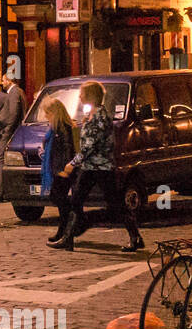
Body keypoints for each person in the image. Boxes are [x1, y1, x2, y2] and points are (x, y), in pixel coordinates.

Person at [51, 82, 143, 253]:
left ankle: (135, 237)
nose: (79, 96)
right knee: (76, 200)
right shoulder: (92, 115)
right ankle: (68, 239)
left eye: (82, 93)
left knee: (115, 203)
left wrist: (72, 163)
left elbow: (89, 146)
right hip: (89, 166)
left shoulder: (100, 117)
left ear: (91, 96)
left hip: (101, 167)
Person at [41, 98, 77, 246]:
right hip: (57, 169)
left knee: (60, 200)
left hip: (63, 170)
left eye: (47, 113)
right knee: (58, 199)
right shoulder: (55, 128)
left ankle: (66, 232)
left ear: (54, 113)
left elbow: (68, 149)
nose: (45, 116)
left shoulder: (63, 128)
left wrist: (64, 169)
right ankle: (64, 231)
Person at [0, 72, 28, 201]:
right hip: (10, 131)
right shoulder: (17, 92)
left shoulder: (14, 93)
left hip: (9, 132)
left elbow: (13, 114)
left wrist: (7, 130)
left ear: (9, 81)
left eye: (3, 80)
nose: (2, 83)